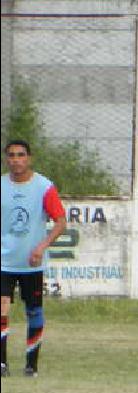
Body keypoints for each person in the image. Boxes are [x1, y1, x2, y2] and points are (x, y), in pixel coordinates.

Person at [1, 140, 67, 378]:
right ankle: (2, 364)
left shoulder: (43, 186)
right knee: (2, 309)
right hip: (3, 263)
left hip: (32, 265)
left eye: (20, 155)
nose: (16, 159)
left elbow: (60, 221)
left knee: (34, 312)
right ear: (6, 159)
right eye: (11, 155)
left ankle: (31, 365)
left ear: (29, 158)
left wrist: (42, 246)